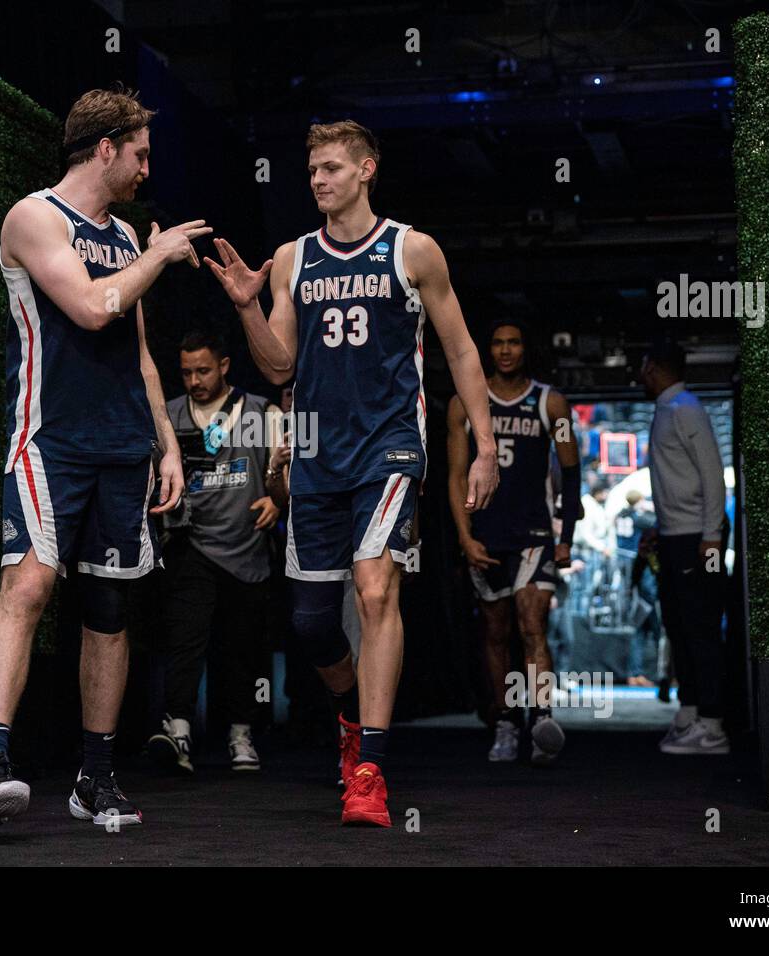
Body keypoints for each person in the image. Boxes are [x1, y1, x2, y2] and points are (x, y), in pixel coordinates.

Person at [206, 120, 499, 826]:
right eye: (312, 171)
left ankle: (370, 768)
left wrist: (484, 446)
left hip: (390, 449)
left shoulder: (413, 249)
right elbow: (279, 365)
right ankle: (347, 718)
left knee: (374, 591)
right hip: (315, 457)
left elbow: (459, 351)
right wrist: (246, 306)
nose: (318, 180)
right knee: (310, 625)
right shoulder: (291, 259)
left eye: (332, 168)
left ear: (367, 170)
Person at [0, 87, 212, 828]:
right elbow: (90, 307)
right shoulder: (33, 216)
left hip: (123, 450)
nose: (144, 170)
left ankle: (95, 778)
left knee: (109, 611)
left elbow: (136, 351)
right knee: (30, 586)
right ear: (105, 148)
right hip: (49, 442)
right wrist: (161, 253)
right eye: (138, 154)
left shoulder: (129, 238)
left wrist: (167, 444)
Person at [147, 330, 283, 773]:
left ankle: (241, 733)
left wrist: (280, 500)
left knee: (241, 647)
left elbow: (296, 467)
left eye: (203, 370)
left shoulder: (262, 411)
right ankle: (179, 730)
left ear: (224, 366)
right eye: (185, 372)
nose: (194, 380)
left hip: (246, 548)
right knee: (186, 640)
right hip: (191, 544)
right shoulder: (167, 414)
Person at [447, 320, 581, 766]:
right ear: (488, 350)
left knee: (531, 625)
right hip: (486, 535)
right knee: (496, 633)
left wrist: (567, 538)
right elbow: (454, 475)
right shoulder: (465, 403)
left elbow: (572, 470)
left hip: (534, 535)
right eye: (498, 342)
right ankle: (506, 722)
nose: (506, 350)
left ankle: (541, 720)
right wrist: (464, 537)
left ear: (526, 348)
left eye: (514, 342)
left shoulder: (551, 403)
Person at [640, 341, 730, 755]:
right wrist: (661, 527)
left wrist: (711, 535)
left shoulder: (686, 408)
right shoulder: (667, 411)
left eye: (643, 366)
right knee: (678, 626)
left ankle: (712, 726)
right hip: (677, 536)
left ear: (654, 367)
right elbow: (676, 481)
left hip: (698, 537)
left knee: (701, 629)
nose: (640, 375)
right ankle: (691, 711)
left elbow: (712, 474)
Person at [616, 490, 659, 686]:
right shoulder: (643, 521)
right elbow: (654, 525)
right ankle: (664, 673)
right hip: (640, 569)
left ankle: (636, 672)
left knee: (639, 630)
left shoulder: (620, 515)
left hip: (624, 560)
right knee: (656, 630)